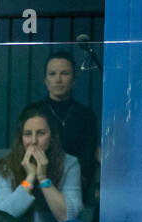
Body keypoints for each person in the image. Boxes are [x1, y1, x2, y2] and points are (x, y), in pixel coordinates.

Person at [0, 107, 89, 222]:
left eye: (41, 133)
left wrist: (43, 178)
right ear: (20, 138)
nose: (34, 141)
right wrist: (29, 179)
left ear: (52, 136)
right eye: (27, 134)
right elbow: (0, 216)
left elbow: (68, 215)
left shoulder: (69, 163)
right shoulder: (6, 166)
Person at [31, 50, 100, 203]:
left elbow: (87, 158)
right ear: (46, 80)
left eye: (64, 73)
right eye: (52, 74)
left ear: (74, 80)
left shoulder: (86, 116)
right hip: (39, 185)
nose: (58, 79)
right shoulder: (34, 113)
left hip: (76, 187)